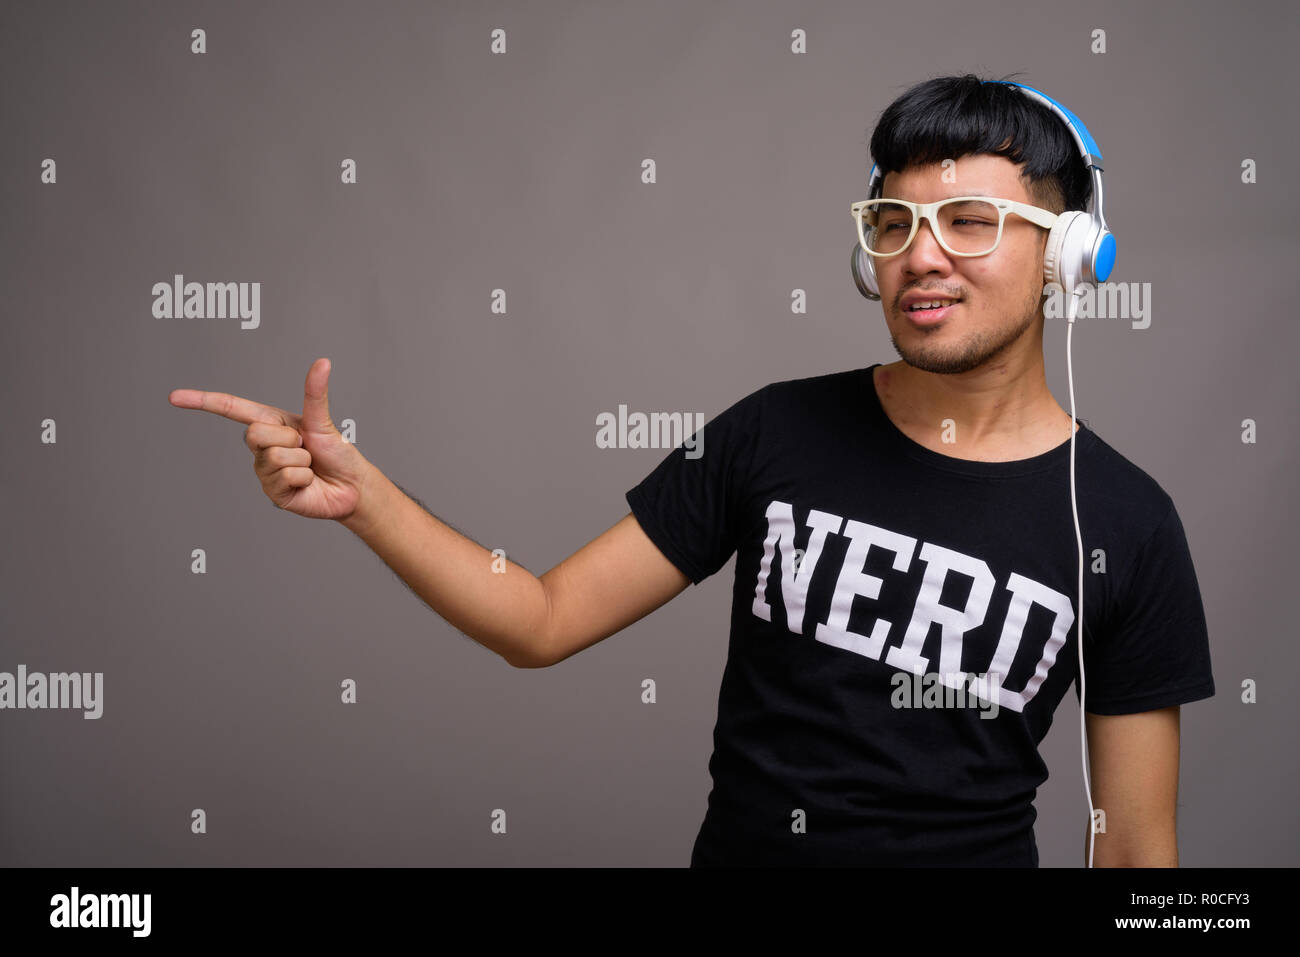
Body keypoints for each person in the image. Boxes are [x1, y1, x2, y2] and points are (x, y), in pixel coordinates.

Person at [169, 73, 1215, 868]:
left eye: (969, 223)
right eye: (892, 224)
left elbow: (1130, 853)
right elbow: (538, 620)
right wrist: (368, 500)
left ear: (1068, 253)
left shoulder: (1126, 520)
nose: (920, 256)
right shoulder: (775, 433)